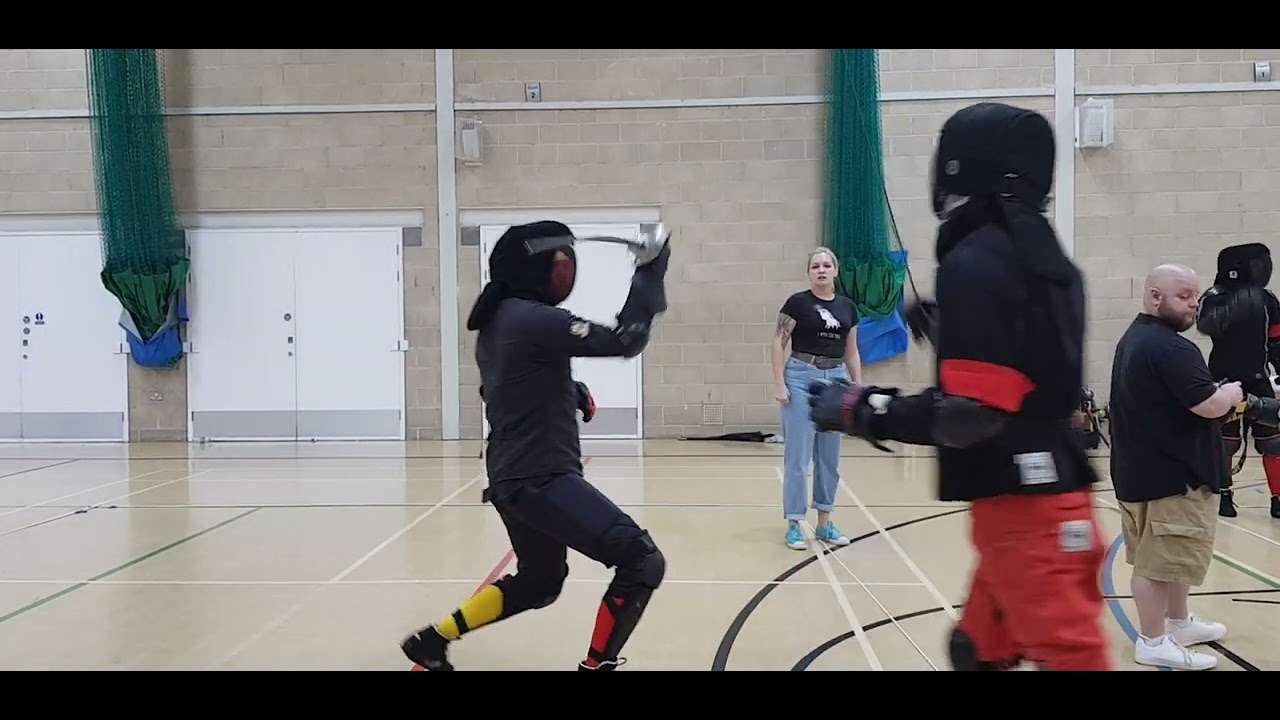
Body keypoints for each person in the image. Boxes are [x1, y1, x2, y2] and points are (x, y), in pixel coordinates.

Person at [805, 101, 1110, 671]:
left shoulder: (978, 261)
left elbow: (969, 416)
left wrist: (862, 408)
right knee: (978, 647)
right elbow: (1034, 364)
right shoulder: (1041, 255)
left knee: (1071, 658)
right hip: (1045, 493)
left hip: (1027, 514)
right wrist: (951, 330)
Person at [400, 220, 671, 671]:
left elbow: (504, 386)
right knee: (642, 561)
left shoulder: (501, 320)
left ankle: (432, 640)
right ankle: (597, 667)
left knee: (541, 582)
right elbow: (627, 339)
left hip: (514, 477)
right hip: (540, 478)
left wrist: (569, 390)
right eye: (562, 262)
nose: (568, 270)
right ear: (540, 267)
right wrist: (649, 273)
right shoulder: (534, 319)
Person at [1108, 263, 1246, 670]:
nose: (1193, 305)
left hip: (1145, 472)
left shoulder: (1135, 339)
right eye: (1184, 296)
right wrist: (1232, 394)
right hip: (1173, 478)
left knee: (1172, 559)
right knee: (1156, 566)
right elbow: (1208, 405)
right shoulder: (1170, 347)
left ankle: (1179, 622)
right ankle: (1152, 641)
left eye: (1194, 296)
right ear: (1155, 296)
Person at [771, 246, 862, 550]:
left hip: (836, 380)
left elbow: (852, 351)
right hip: (800, 377)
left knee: (829, 457)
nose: (821, 270)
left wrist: (857, 388)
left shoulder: (848, 308)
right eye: (815, 266)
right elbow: (778, 343)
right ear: (809, 273)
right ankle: (795, 523)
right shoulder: (797, 303)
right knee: (798, 455)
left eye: (826, 265)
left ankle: (824, 523)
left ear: (835, 270)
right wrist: (780, 383)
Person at [1196, 243, 1280, 520]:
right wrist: (1232, 306)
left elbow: (1276, 341)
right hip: (1223, 379)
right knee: (1225, 442)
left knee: (1274, 442)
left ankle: (1278, 498)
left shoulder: (1267, 299)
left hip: (1259, 379)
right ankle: (1223, 494)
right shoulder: (1215, 296)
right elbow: (1204, 325)